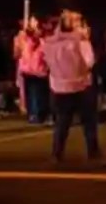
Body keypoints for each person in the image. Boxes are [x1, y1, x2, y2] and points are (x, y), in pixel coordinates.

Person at [42, 11, 101, 163]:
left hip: (59, 86)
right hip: (81, 85)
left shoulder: (49, 42)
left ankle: (57, 153)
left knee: (62, 122)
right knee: (88, 122)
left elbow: (46, 63)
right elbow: (90, 62)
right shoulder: (80, 41)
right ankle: (93, 152)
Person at [18, 28, 50, 124]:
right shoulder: (26, 43)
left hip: (39, 73)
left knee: (38, 95)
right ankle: (32, 114)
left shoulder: (43, 44)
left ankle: (38, 114)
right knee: (30, 95)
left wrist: (46, 67)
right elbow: (20, 55)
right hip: (27, 73)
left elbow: (46, 58)